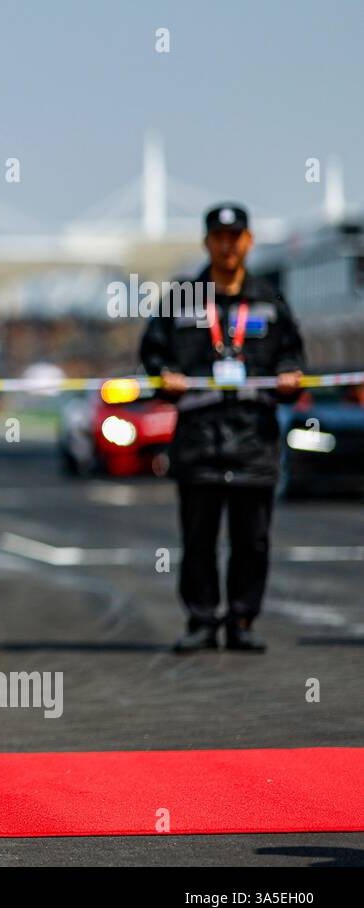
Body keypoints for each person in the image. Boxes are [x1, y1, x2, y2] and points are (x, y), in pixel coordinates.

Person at [141, 203, 305, 653]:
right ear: (207, 242)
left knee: (252, 539)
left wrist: (291, 375)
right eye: (219, 237)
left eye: (236, 237)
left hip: (255, 439)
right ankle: (201, 620)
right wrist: (166, 373)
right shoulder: (180, 298)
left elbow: (293, 355)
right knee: (198, 539)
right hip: (200, 440)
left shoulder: (270, 300)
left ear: (248, 241)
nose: (228, 245)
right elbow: (152, 353)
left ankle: (242, 620)